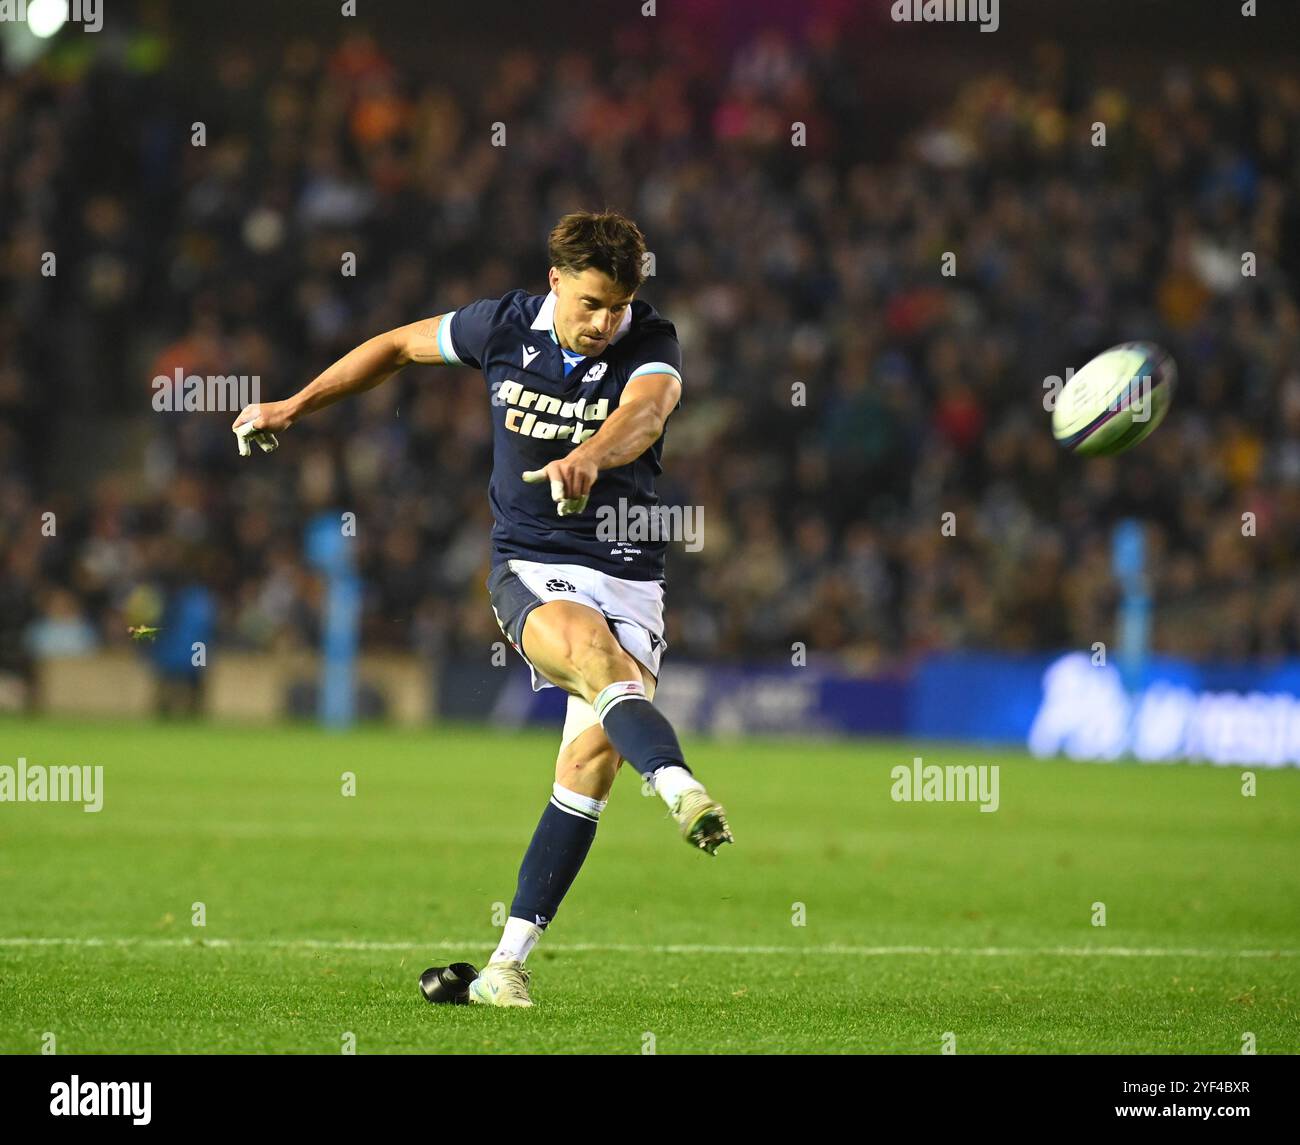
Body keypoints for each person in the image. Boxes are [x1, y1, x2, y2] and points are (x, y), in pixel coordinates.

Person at [232, 210, 732, 1008]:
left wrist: (590, 454)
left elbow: (645, 417)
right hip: (532, 563)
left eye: (619, 306)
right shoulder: (498, 326)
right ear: (556, 282)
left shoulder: (652, 340)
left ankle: (506, 964)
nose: (606, 323)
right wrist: (295, 405)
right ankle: (678, 786)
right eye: (592, 304)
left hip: (631, 572)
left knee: (587, 769)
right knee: (593, 657)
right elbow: (395, 346)